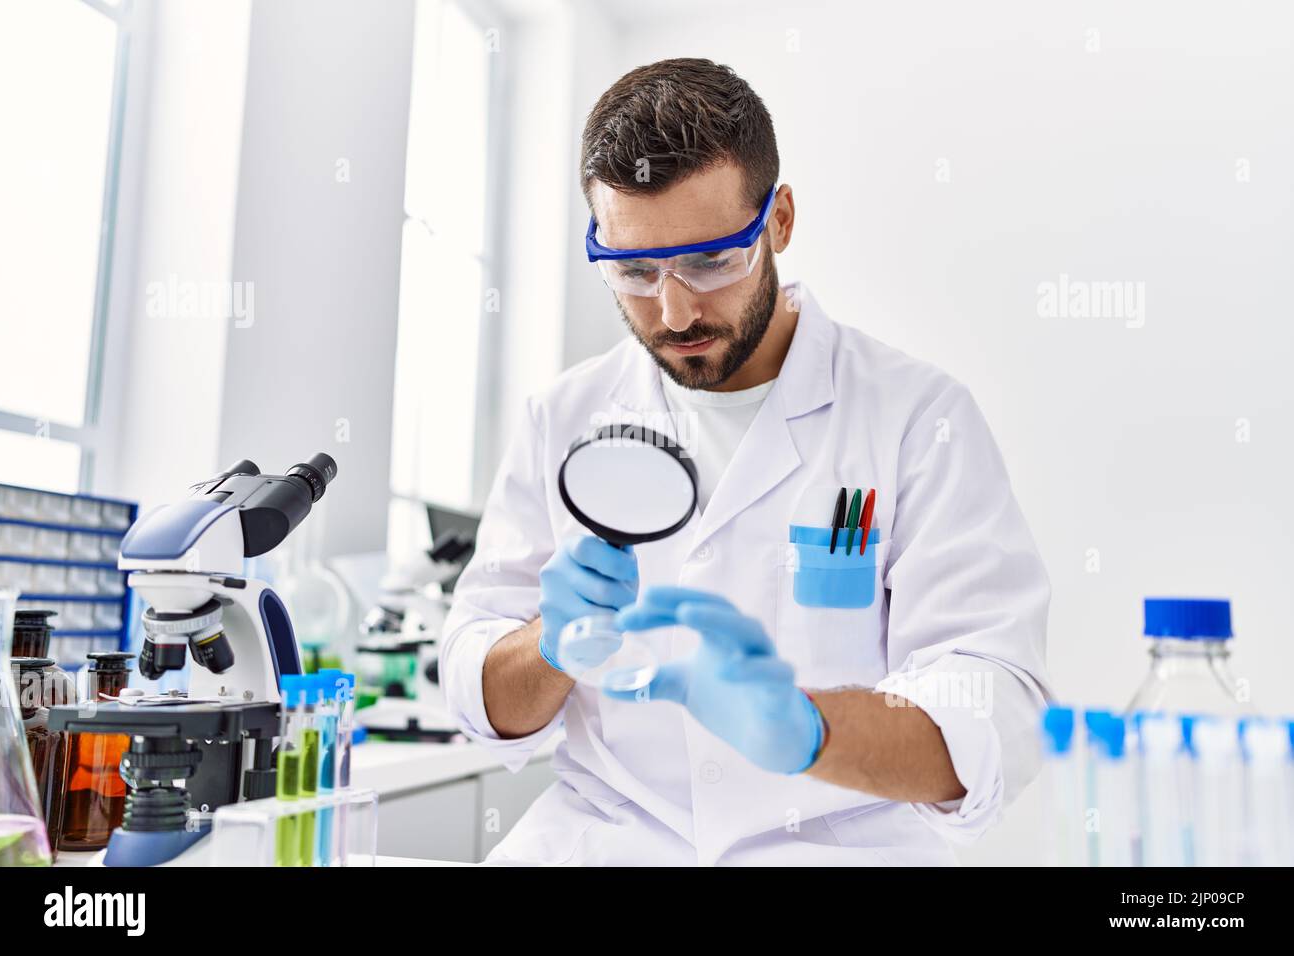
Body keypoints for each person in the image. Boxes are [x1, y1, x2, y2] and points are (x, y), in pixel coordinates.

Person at [440, 58, 1051, 865]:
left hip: (839, 848)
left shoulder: (916, 418)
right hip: (602, 841)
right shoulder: (562, 417)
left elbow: (995, 704)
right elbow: (483, 700)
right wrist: (550, 643)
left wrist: (805, 728)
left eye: (710, 260)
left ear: (780, 222)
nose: (675, 309)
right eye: (633, 271)